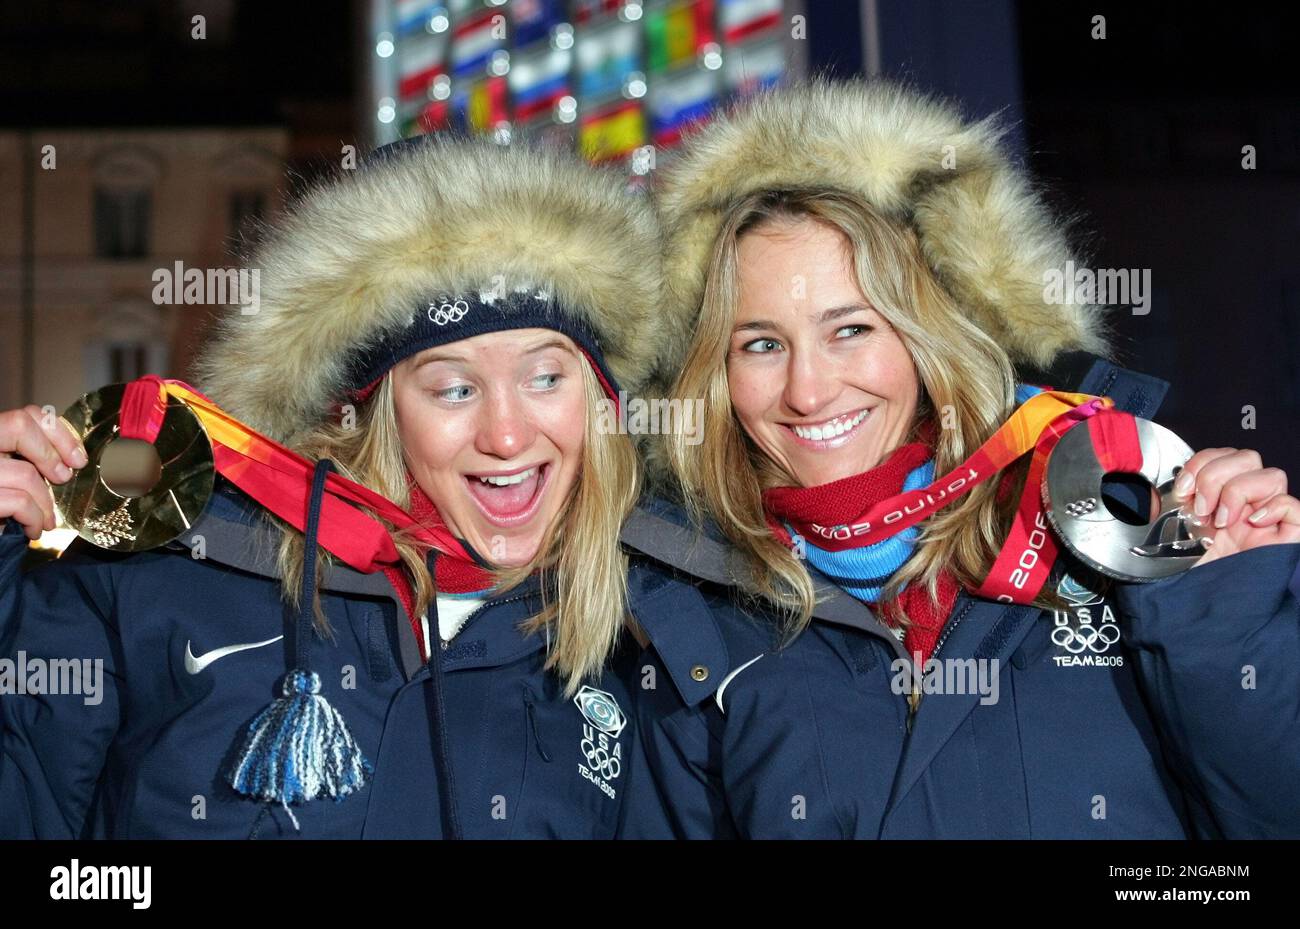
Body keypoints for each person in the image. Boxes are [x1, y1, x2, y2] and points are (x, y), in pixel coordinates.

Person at [620, 79, 1300, 838]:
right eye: (762, 344)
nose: (808, 391)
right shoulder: (688, 625)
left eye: (851, 329)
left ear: (926, 334)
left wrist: (1221, 616)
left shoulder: (1118, 523)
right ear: (714, 371)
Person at [0, 135, 662, 838]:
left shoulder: (646, 633)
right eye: (454, 387)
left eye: (545, 377)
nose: (506, 434)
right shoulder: (161, 572)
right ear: (375, 409)